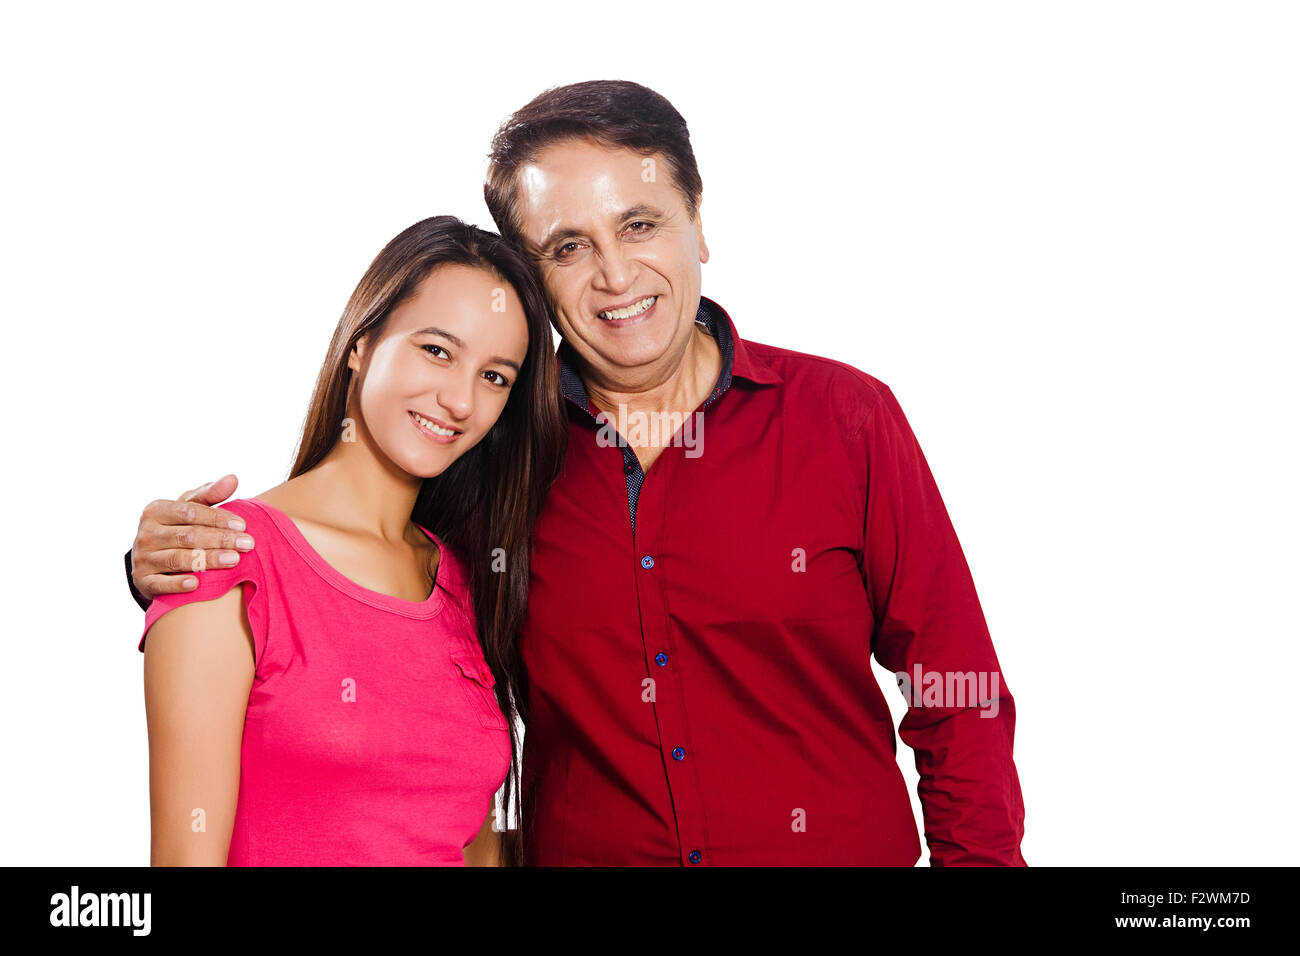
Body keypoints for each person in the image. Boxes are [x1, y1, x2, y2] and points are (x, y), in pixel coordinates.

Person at [128, 80, 1027, 865]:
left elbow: (960, 692)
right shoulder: (487, 457)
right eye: (566, 247)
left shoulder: (847, 418)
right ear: (531, 277)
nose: (614, 274)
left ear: (700, 222)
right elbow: (340, 572)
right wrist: (170, 567)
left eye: (639, 224)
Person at [137, 215, 566, 865]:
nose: (459, 399)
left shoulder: (468, 583)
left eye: (495, 377)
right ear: (362, 343)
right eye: (437, 350)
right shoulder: (226, 555)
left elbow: (470, 844)